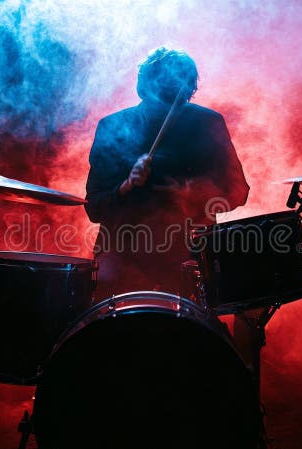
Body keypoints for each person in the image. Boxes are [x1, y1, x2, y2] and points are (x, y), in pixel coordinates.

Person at [85, 47, 249, 299]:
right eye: (160, 97)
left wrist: (192, 193)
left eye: (177, 99)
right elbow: (94, 208)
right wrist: (125, 187)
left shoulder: (208, 123)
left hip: (188, 255)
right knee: (103, 284)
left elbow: (238, 192)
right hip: (122, 253)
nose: (167, 108)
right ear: (143, 89)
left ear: (187, 93)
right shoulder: (112, 126)